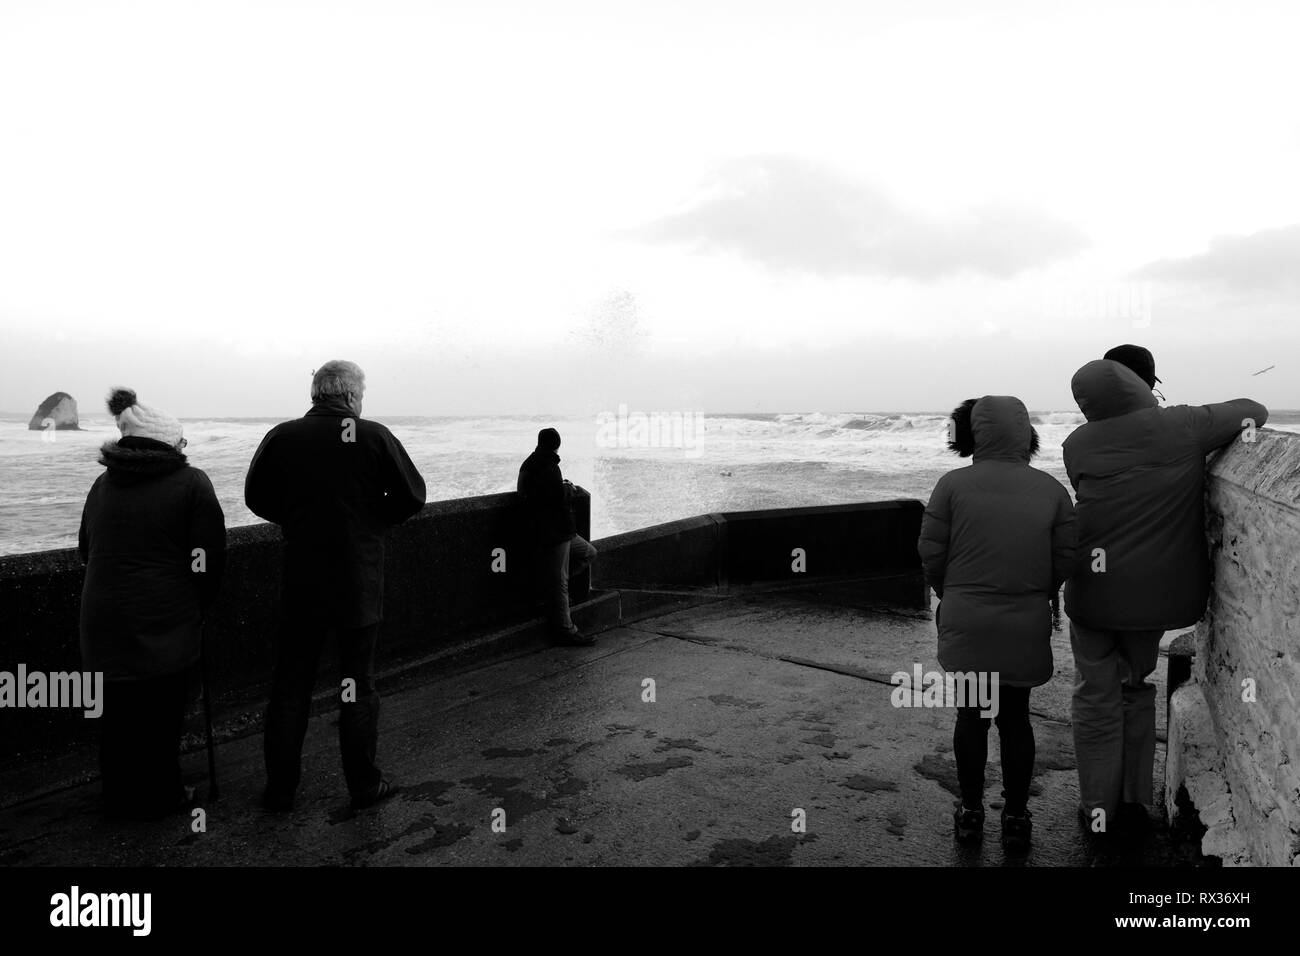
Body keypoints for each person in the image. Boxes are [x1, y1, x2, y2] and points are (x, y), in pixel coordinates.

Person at [1064, 352, 1268, 838]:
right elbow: (1254, 410)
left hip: (1093, 587)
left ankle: (1098, 807)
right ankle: (1135, 802)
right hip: (1155, 593)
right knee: (1134, 687)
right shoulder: (1184, 425)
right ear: (1141, 387)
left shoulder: (1077, 444)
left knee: (1094, 694)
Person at [245, 361, 426, 812]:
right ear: (350, 396)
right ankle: (364, 786)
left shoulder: (283, 436)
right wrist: (369, 522)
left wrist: (295, 518)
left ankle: (280, 791)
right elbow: (412, 496)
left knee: (290, 688)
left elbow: (255, 497)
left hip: (302, 581)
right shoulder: (372, 436)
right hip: (356, 582)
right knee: (356, 684)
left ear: (316, 394)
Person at [918, 396, 1076, 850]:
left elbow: (931, 552)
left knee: (972, 716)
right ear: (1027, 435)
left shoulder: (952, 486)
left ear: (976, 434)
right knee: (1016, 719)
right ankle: (1017, 815)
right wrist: (1037, 592)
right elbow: (1065, 556)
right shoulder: (1050, 490)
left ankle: (969, 811)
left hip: (969, 618)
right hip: (1023, 620)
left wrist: (951, 593)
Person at [79, 387, 226, 820]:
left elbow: (85, 549)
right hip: (164, 619)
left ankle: (120, 798)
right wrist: (202, 603)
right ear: (168, 445)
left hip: (101, 619)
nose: (185, 449)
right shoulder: (191, 483)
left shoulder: (102, 485)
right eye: (182, 442)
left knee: (117, 716)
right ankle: (165, 796)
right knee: (162, 711)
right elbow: (207, 558)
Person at [517, 428, 597, 646]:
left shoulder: (532, 464)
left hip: (561, 531)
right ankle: (566, 630)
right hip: (555, 533)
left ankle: (551, 596)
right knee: (560, 582)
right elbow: (553, 500)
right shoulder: (547, 466)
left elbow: (539, 496)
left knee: (588, 553)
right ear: (557, 445)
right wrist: (568, 490)